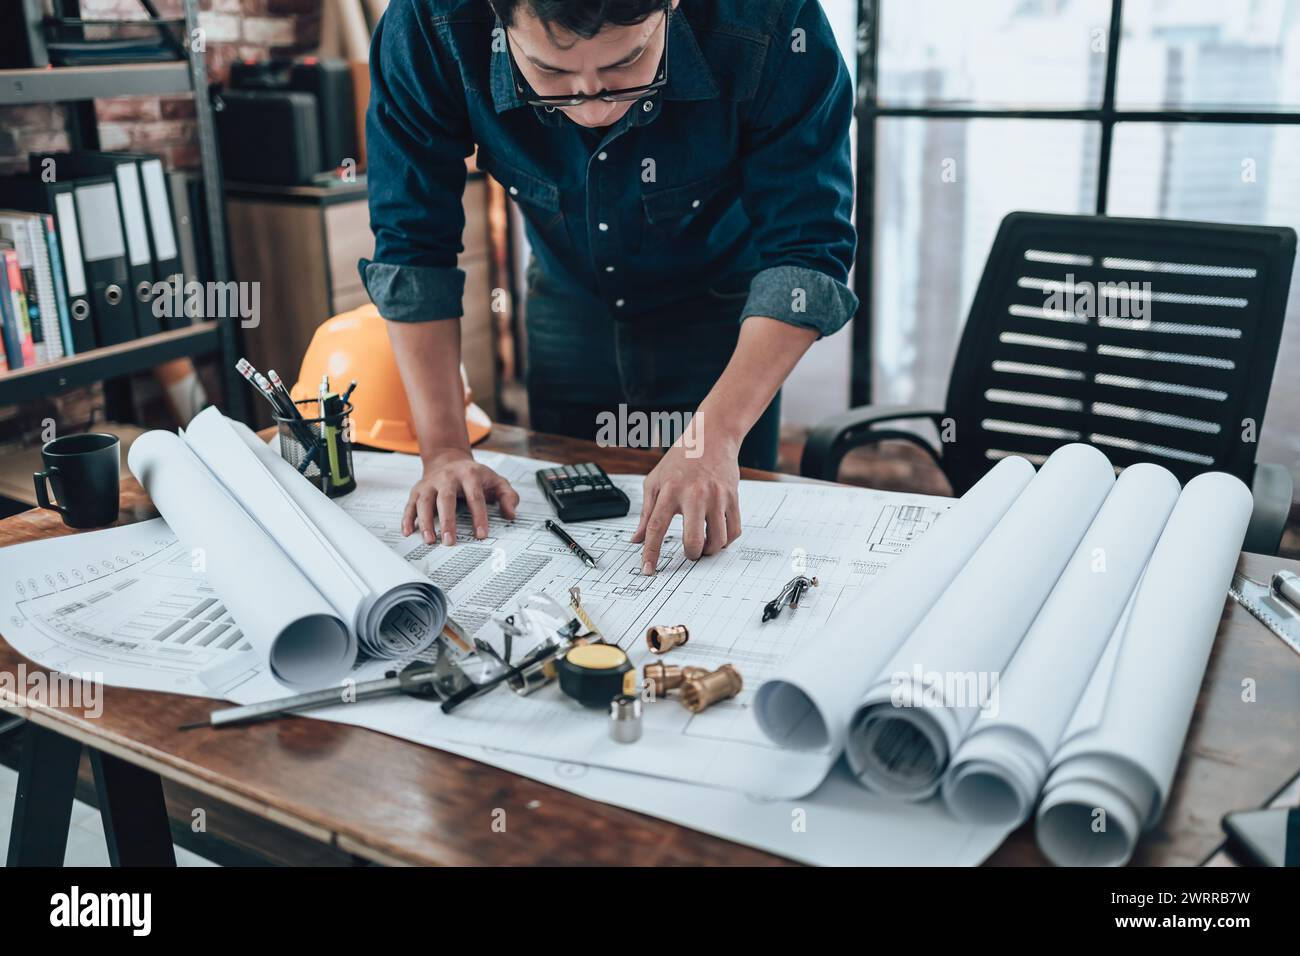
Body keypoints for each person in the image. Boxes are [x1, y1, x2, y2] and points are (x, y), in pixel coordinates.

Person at [362, 0, 856, 573]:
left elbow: (806, 248)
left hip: (725, 309)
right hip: (570, 302)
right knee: (573, 527)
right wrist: (444, 449)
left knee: (717, 528)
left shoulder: (771, 19)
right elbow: (413, 245)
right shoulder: (431, 22)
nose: (594, 108)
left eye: (627, 65)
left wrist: (715, 435)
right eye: (552, 75)